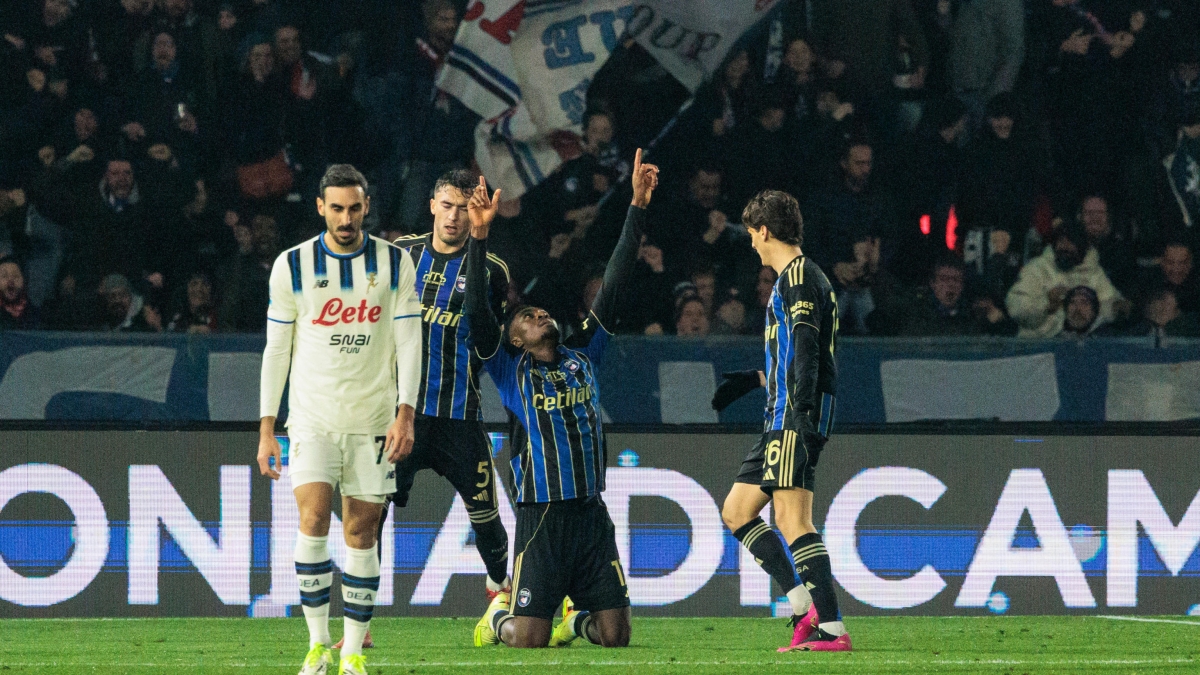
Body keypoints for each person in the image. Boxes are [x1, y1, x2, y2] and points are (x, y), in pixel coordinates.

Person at [468, 150, 659, 650]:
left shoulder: (584, 354)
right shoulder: (510, 371)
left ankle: (575, 621)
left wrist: (636, 206)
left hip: (591, 514)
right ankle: (497, 619)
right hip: (543, 517)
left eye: (541, 314)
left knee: (615, 636)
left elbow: (613, 283)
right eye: (526, 318)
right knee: (527, 638)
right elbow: (476, 316)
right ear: (513, 340)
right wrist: (479, 237)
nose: (539, 317)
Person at [256, 164, 422, 675]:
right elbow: (276, 348)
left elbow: (411, 344)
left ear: (366, 206)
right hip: (311, 419)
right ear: (320, 208)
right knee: (310, 519)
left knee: (361, 532)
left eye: (354, 208)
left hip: (373, 420)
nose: (346, 218)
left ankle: (352, 653)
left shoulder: (395, 265)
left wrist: (405, 415)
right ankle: (317, 645)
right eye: (337, 208)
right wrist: (267, 427)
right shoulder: (292, 266)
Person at [710, 190, 850, 653]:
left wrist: (802, 413)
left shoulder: (799, 278)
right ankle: (800, 602)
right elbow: (795, 352)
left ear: (764, 230)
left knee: (792, 520)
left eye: (752, 234)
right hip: (781, 413)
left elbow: (808, 348)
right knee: (737, 510)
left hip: (793, 415)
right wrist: (756, 379)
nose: (751, 244)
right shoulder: (797, 278)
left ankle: (831, 629)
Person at [374, 171, 513, 627]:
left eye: (463, 207)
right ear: (432, 205)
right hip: (400, 417)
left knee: (487, 516)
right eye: (447, 206)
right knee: (369, 513)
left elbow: (494, 343)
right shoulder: (401, 257)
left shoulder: (492, 271)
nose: (455, 217)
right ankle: (361, 622)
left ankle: (503, 593)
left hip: (460, 414)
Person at [1006, 221, 1124, 338]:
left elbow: (1108, 306)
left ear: (1083, 246)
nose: (1064, 247)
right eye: (1061, 241)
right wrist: (1046, 304)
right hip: (1040, 344)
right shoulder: (1036, 269)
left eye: (1071, 242)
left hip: (1084, 345)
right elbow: (1016, 309)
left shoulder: (1095, 272)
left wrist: (1118, 308)